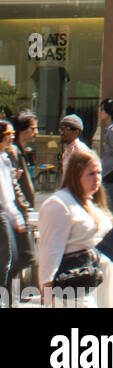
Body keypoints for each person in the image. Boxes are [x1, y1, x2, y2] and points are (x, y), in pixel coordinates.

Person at [37, 148, 113, 308]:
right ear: (76, 174)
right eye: (91, 174)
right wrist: (47, 296)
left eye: (99, 173)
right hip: (75, 287)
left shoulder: (92, 203)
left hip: (102, 281)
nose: (97, 179)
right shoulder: (59, 204)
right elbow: (49, 253)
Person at [0, 120, 30, 305]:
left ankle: (9, 299)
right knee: (8, 260)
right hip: (3, 214)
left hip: (7, 214)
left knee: (15, 258)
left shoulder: (4, 158)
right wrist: (17, 218)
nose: (12, 136)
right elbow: (5, 196)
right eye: (8, 133)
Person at [10, 112, 37, 213]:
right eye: (33, 128)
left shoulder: (22, 151)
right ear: (22, 130)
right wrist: (24, 206)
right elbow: (14, 185)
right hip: (17, 212)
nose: (36, 132)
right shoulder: (13, 152)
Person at [58, 115, 88, 179]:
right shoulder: (67, 151)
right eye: (60, 129)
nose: (61, 132)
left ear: (76, 132)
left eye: (64, 129)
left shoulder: (79, 150)